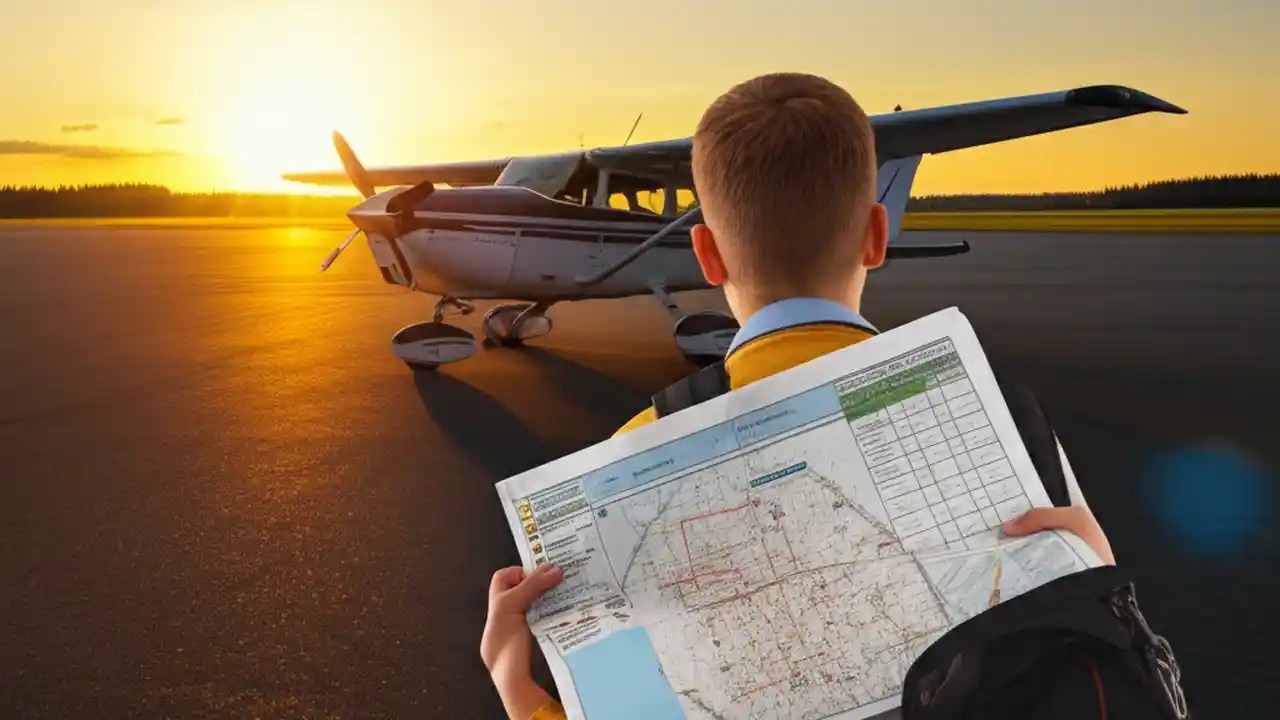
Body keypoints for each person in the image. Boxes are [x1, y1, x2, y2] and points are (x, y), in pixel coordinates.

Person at [482, 73, 1185, 720]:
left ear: (706, 254)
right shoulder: (1005, 419)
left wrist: (520, 692)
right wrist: (1099, 585)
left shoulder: (629, 450)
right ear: (876, 235)